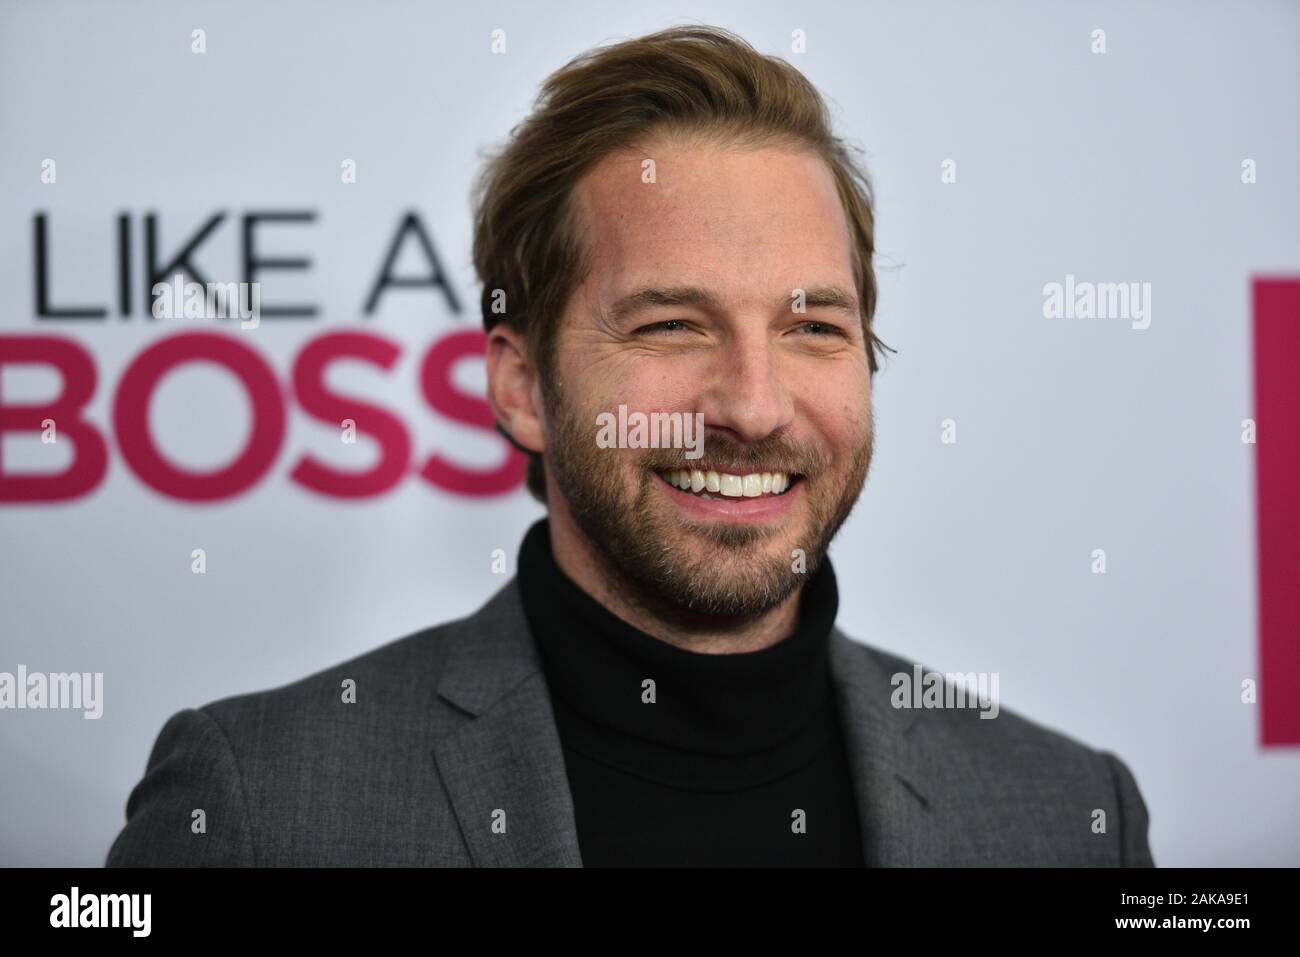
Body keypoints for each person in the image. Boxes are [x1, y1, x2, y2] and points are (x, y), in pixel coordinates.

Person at [106, 25, 1154, 867]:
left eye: (812, 328)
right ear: (522, 386)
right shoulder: (261, 804)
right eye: (669, 325)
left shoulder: (1068, 814)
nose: (752, 406)